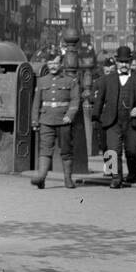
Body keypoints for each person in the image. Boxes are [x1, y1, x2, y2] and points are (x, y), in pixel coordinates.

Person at [93, 44, 136, 187]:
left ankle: (132, 173)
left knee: (132, 150)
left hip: (132, 122)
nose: (124, 65)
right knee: (112, 150)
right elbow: (99, 99)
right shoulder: (107, 80)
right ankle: (115, 177)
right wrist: (96, 117)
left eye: (127, 62)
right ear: (117, 62)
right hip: (113, 121)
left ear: (131, 62)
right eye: (121, 62)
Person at [30, 51, 81, 189]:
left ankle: (68, 179)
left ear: (61, 64)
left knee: (66, 149)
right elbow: (36, 102)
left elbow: (75, 100)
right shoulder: (42, 81)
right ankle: (41, 177)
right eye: (50, 63)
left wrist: (70, 115)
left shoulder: (70, 81)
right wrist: (35, 120)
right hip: (46, 119)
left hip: (64, 119)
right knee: (45, 149)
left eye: (56, 63)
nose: (53, 66)